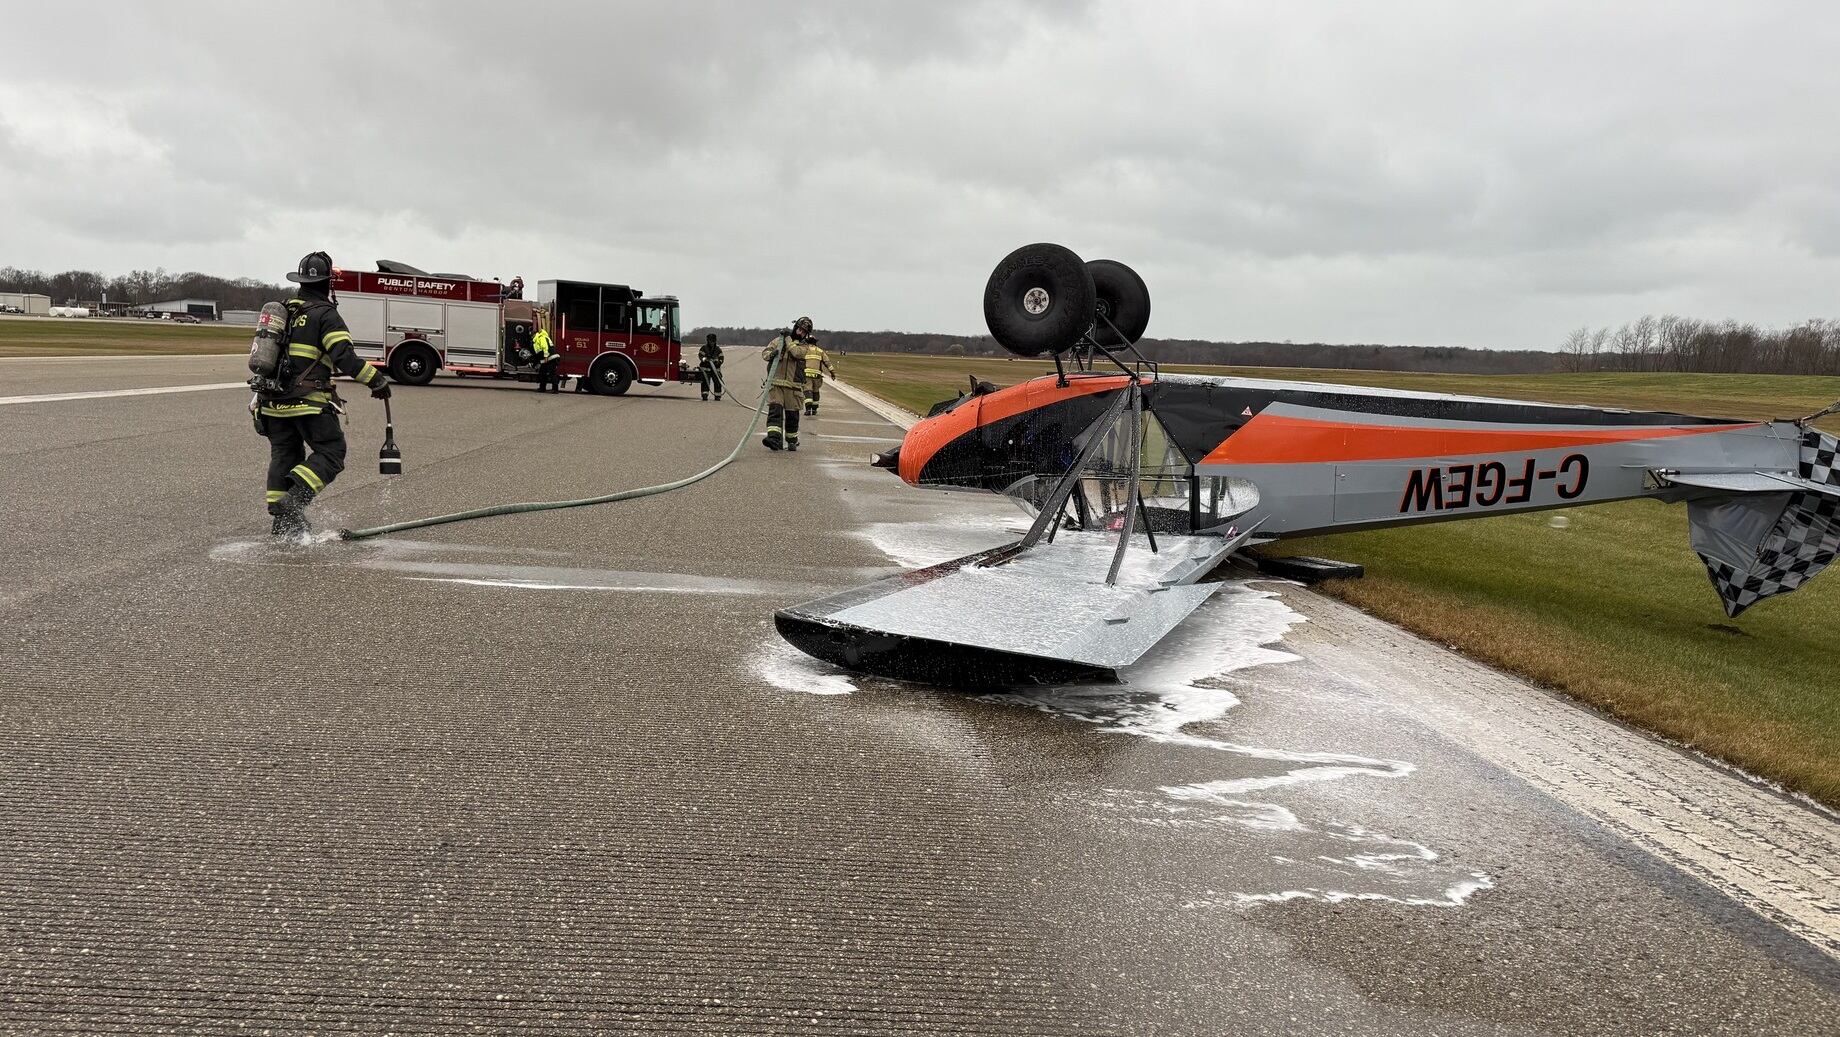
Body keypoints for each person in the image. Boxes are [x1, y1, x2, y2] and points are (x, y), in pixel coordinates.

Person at [255, 251, 390, 538]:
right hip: (307, 402)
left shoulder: (283, 310)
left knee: (284, 454)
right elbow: (344, 357)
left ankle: (282, 524)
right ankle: (293, 503)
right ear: (329, 282)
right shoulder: (325, 314)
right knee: (331, 453)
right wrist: (377, 381)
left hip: (270, 402)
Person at [760, 317, 813, 451]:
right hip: (776, 385)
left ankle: (791, 440)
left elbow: (795, 352)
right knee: (775, 412)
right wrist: (772, 354)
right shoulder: (778, 341)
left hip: (793, 387)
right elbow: (765, 353)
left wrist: (788, 339)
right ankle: (773, 439)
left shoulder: (804, 347)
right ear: (795, 327)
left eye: (804, 332)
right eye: (799, 329)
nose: (800, 333)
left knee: (792, 417)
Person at [801, 336, 835, 415]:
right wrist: (832, 372)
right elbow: (827, 362)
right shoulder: (820, 351)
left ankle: (808, 409)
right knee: (816, 391)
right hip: (817, 376)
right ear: (815, 342)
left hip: (806, 374)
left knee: (807, 390)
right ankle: (815, 409)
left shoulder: (804, 349)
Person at [532, 320, 562, 393]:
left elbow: (545, 347)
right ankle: (542, 388)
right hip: (549, 358)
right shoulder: (543, 337)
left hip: (550, 358)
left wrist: (545, 356)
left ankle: (555, 390)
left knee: (552, 373)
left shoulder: (541, 337)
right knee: (543, 372)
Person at [698, 333, 725, 401]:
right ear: (708, 341)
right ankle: (705, 395)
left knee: (718, 382)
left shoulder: (718, 349)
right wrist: (705, 360)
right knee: (705, 382)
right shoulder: (704, 348)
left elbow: (721, 358)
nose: (712, 343)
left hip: (715, 369)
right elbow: (700, 356)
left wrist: (719, 362)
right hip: (706, 369)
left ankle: (717, 395)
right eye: (710, 341)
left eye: (713, 341)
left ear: (715, 341)